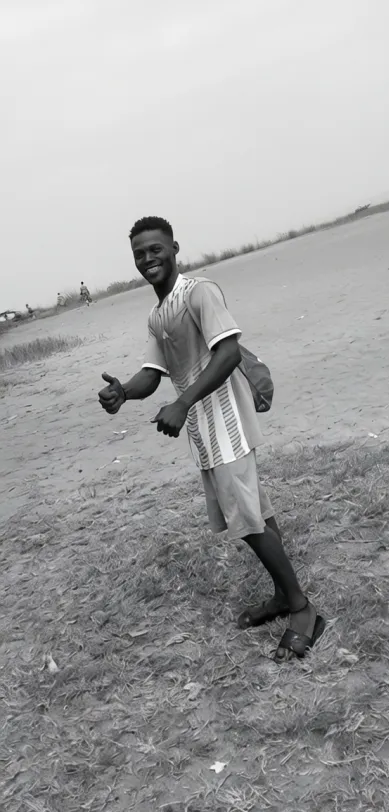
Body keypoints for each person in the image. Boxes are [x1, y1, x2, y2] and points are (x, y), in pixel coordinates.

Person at [97, 216, 325, 662]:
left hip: (225, 420)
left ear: (175, 248)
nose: (148, 259)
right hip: (202, 428)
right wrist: (124, 391)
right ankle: (283, 597)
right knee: (255, 511)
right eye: (140, 253)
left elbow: (229, 350)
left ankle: (303, 609)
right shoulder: (158, 314)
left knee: (247, 520)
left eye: (155, 250)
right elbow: (153, 374)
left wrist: (182, 405)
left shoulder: (199, 292)